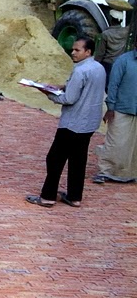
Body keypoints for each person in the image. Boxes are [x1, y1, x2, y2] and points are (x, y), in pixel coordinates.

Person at [26, 37, 106, 208]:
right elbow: (84, 88)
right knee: (78, 160)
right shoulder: (99, 68)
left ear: (88, 51)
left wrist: (46, 92)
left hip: (73, 122)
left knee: (55, 159)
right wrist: (61, 86)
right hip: (89, 123)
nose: (73, 52)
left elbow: (69, 98)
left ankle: (47, 196)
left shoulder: (80, 71)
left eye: (77, 50)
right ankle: (75, 196)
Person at [95, 47, 137, 183]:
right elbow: (113, 85)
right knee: (115, 142)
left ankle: (129, 173)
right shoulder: (124, 60)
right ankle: (105, 172)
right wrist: (110, 107)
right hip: (121, 108)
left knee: (133, 146)